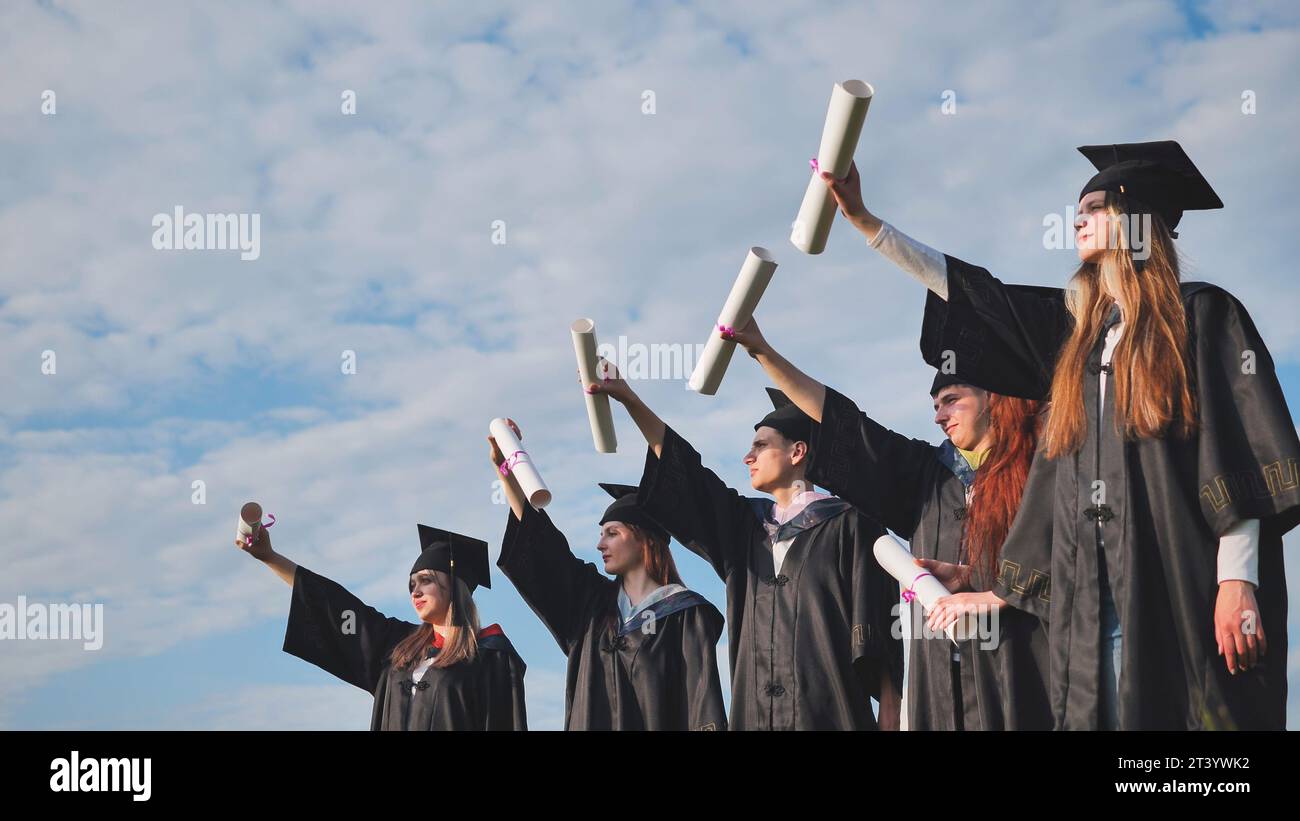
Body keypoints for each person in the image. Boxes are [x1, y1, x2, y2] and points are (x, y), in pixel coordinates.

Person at [816, 140, 1300, 729]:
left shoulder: (1199, 318)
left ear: (1138, 221)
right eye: (1078, 208)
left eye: (1097, 206)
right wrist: (868, 224)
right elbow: (982, 300)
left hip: (1179, 590)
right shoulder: (1080, 351)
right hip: (1091, 613)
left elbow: (1237, 455)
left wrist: (1236, 580)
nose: (1080, 217)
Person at [724, 317, 1052, 729]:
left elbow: (1070, 563)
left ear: (992, 397)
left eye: (951, 399)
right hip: (941, 689)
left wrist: (994, 591)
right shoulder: (925, 476)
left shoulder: (1043, 467)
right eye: (935, 406)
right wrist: (762, 352)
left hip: (1020, 673)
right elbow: (847, 425)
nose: (939, 416)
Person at [587, 367, 902, 730]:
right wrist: (628, 398)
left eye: (761, 445)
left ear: (797, 451)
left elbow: (877, 629)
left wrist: (890, 717)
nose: (747, 457)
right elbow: (689, 474)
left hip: (831, 715)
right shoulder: (744, 529)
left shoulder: (851, 525)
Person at [489, 419, 728, 730]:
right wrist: (508, 468)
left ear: (645, 538)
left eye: (612, 533)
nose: (601, 543)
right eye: (601, 534)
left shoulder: (684, 614)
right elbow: (544, 550)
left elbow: (702, 704)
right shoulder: (588, 605)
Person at [238, 520, 528, 730]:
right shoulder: (400, 646)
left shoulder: (491, 658)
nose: (415, 591)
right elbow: (337, 607)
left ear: (455, 587)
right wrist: (270, 558)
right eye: (411, 584)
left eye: (425, 580)